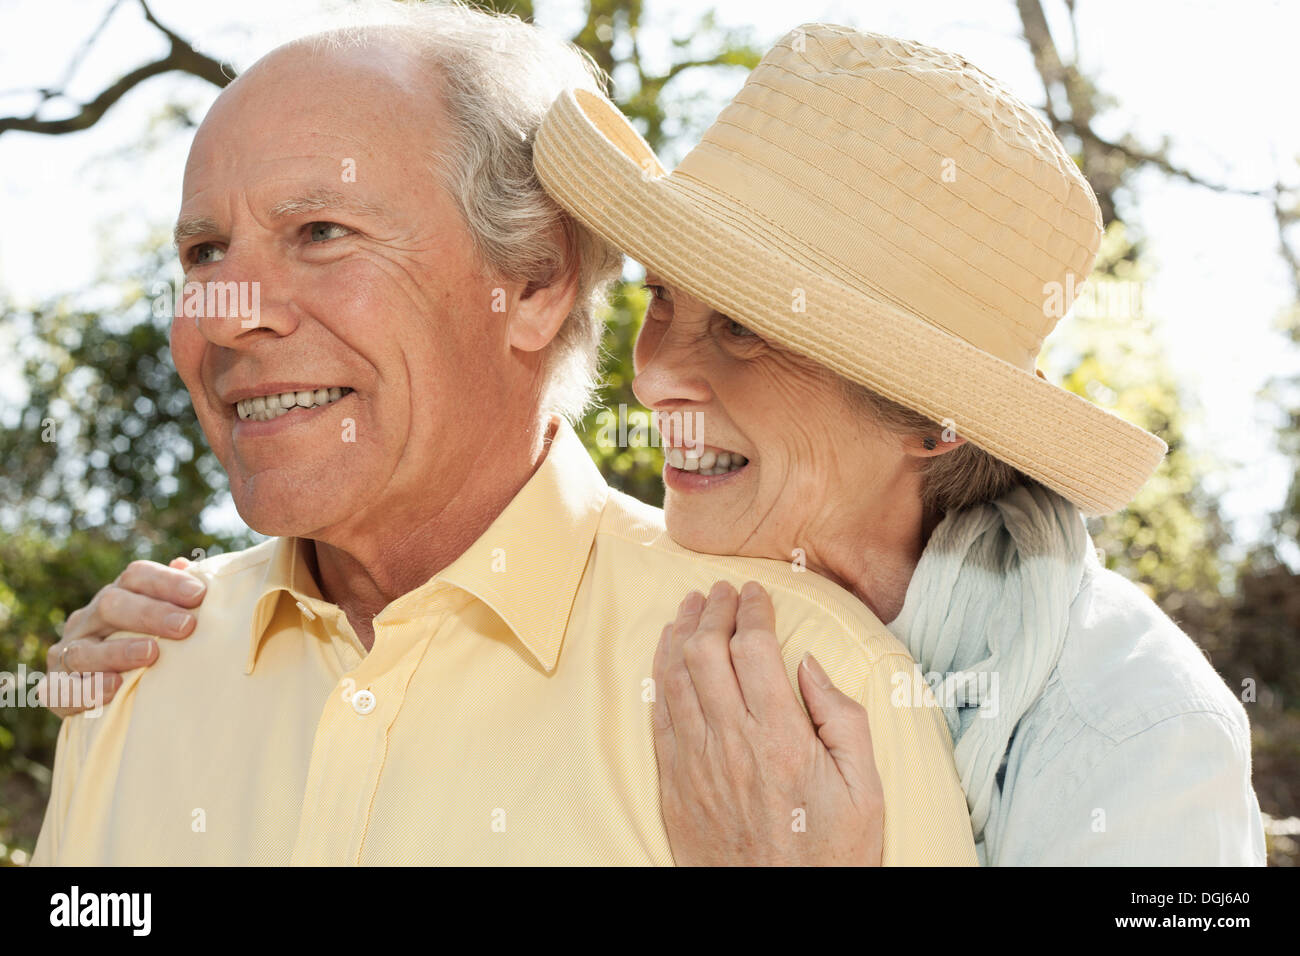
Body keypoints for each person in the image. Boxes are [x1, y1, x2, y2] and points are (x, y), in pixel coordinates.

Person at [44, 20, 1267, 866]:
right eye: (201, 252)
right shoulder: (147, 670)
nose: (658, 367)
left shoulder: (1126, 727)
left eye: (320, 230)